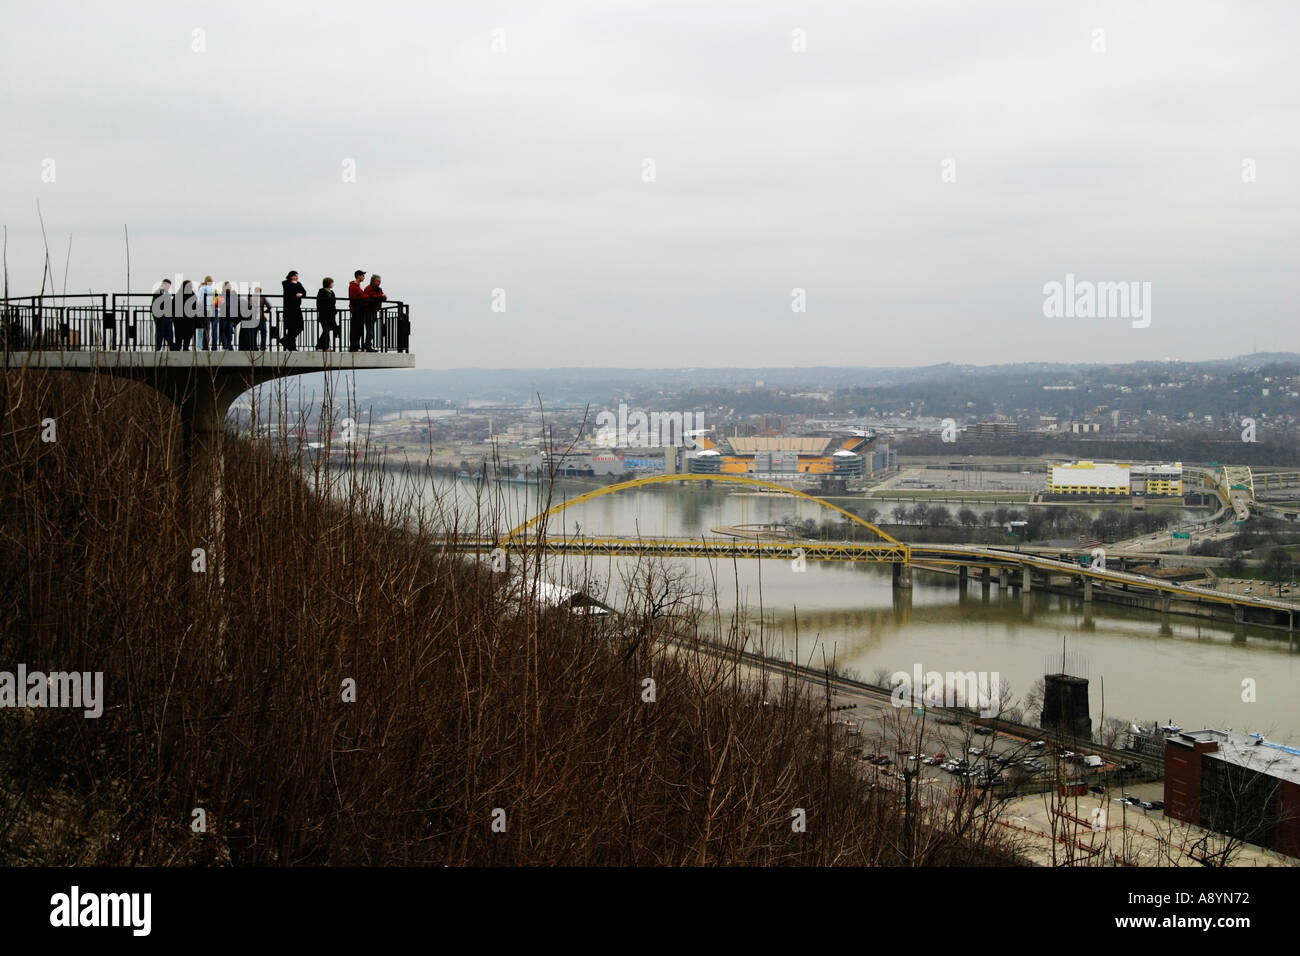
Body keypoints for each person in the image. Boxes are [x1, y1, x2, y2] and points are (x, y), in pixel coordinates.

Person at [280, 270, 306, 350]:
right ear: (291, 276)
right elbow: (289, 293)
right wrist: (296, 294)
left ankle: (285, 340)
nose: (297, 277)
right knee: (292, 328)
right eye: (295, 276)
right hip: (289, 309)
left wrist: (301, 294)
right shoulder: (286, 283)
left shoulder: (298, 284)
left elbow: (304, 292)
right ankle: (291, 346)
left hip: (297, 308)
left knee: (300, 327)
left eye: (297, 276)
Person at [362, 273, 386, 351]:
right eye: (378, 281)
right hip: (368, 311)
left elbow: (381, 297)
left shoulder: (379, 289)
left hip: (374, 311)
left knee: (371, 329)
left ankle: (368, 344)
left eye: (380, 281)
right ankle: (368, 345)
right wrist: (381, 297)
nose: (379, 283)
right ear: (373, 281)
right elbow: (371, 296)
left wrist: (383, 297)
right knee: (370, 330)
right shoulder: (368, 288)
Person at [315, 278, 338, 350]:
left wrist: (334, 310)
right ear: (328, 283)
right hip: (324, 315)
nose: (333, 284)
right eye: (332, 283)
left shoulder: (332, 292)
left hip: (331, 315)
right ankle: (323, 346)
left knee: (327, 331)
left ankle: (321, 346)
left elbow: (333, 303)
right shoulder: (321, 292)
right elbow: (319, 303)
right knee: (326, 331)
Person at [151, 279, 175, 350]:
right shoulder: (158, 293)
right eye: (168, 286)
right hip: (161, 317)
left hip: (167, 316)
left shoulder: (166, 293)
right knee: (161, 333)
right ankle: (159, 348)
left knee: (168, 333)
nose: (168, 287)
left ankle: (171, 347)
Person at [347, 270, 367, 352]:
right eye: (362, 275)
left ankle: (356, 345)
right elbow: (354, 297)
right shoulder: (353, 286)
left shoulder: (357, 286)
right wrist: (365, 297)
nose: (364, 277)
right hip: (356, 310)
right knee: (356, 328)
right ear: (358, 276)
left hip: (359, 310)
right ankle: (354, 346)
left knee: (358, 328)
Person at [177, 279, 199, 350]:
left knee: (185, 334)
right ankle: (181, 347)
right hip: (183, 319)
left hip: (186, 319)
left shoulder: (180, 294)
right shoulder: (189, 294)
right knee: (182, 334)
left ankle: (183, 347)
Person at [197, 275, 217, 350]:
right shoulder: (215, 288)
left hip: (206, 309)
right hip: (214, 309)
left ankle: (206, 346)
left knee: (207, 328)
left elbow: (199, 300)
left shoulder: (202, 288)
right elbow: (218, 300)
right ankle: (214, 347)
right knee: (214, 329)